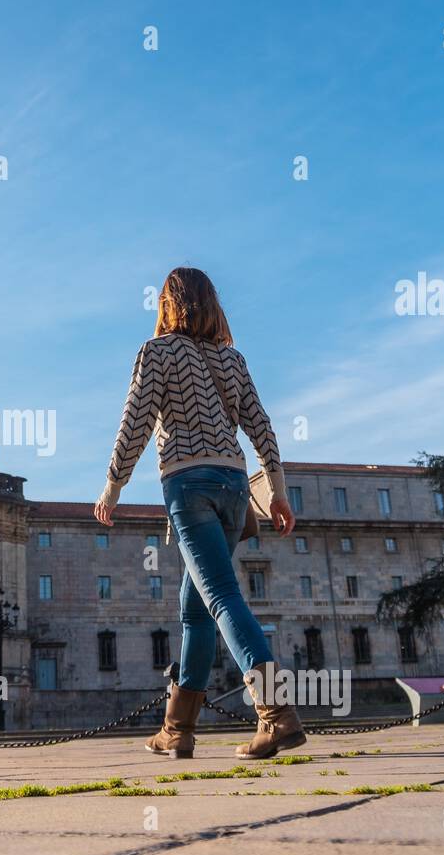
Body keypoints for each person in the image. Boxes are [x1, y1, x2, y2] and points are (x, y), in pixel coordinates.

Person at [93, 267, 305, 759]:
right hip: (233, 488)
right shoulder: (232, 359)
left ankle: (276, 713)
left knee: (223, 596)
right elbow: (263, 429)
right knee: (196, 608)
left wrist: (112, 487)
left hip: (189, 485)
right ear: (212, 304)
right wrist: (277, 492)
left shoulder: (158, 352)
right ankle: (178, 728)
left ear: (166, 304)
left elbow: (136, 422)